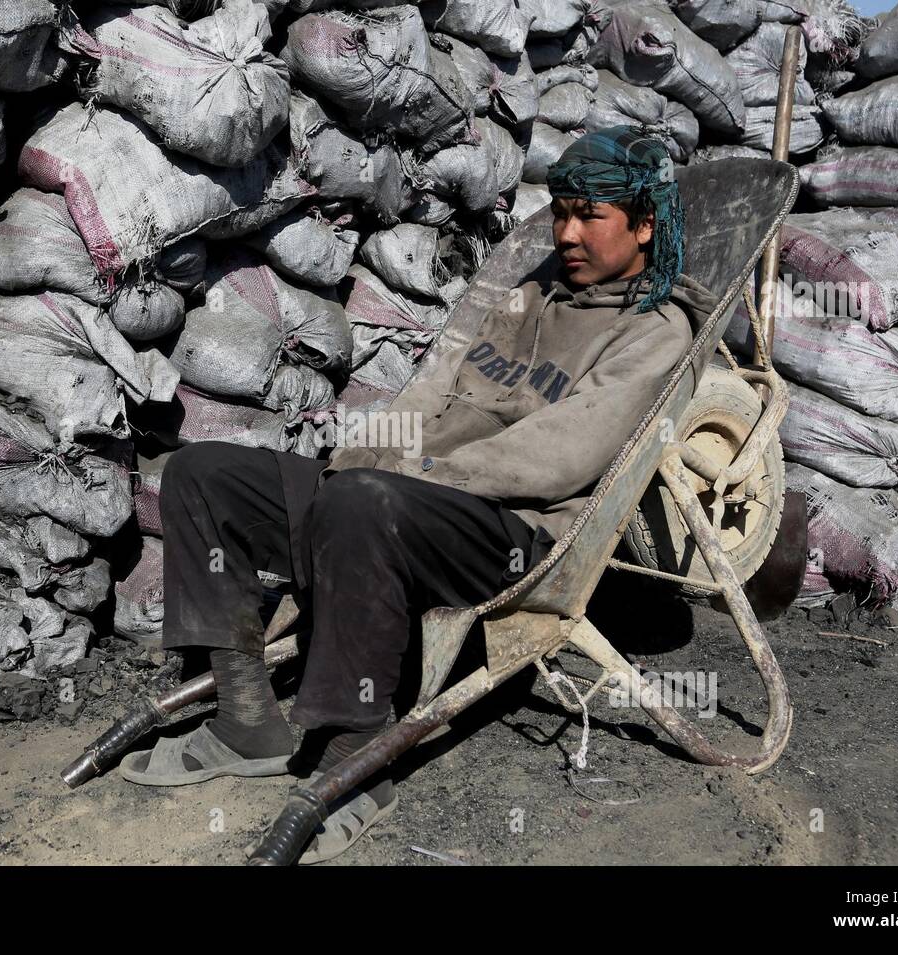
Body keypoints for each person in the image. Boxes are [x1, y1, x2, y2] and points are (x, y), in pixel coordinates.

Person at [120, 125, 718, 863]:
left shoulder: (656, 329)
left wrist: (415, 479)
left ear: (645, 223)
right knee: (202, 476)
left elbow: (564, 454)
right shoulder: (530, 295)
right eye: (559, 211)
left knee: (361, 506)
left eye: (589, 215)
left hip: (510, 533)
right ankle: (247, 719)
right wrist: (360, 458)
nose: (566, 231)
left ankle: (355, 758)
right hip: (400, 495)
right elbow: (434, 388)